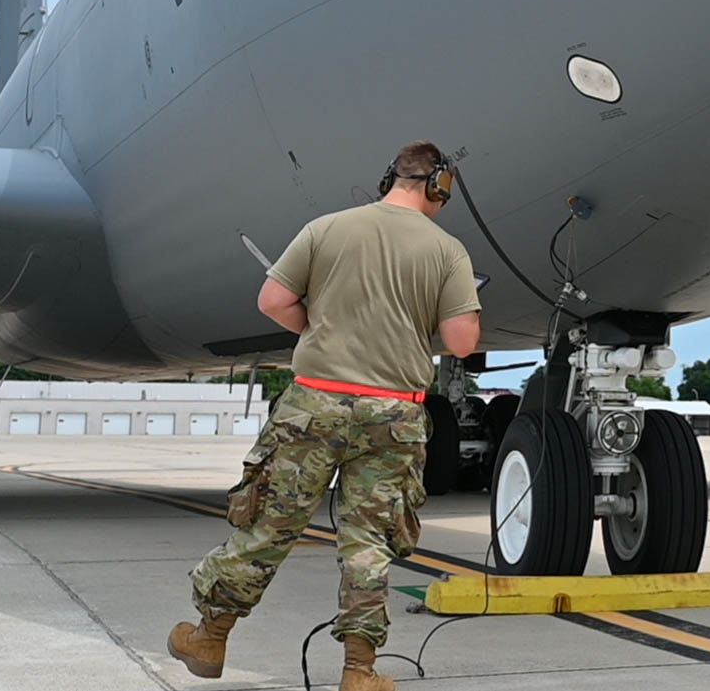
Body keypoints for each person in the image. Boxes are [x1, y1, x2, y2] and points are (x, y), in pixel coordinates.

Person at [167, 142, 483, 691]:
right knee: (369, 543)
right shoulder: (447, 250)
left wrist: (319, 328)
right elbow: (460, 342)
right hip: (394, 413)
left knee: (269, 526)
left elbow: (272, 300)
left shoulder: (326, 228)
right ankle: (359, 672)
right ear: (439, 188)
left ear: (391, 177)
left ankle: (209, 637)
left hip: (314, 406)